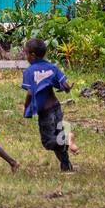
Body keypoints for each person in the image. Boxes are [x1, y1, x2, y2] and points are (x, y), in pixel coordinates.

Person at [21, 37, 74, 172]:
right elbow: (65, 85)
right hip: (57, 108)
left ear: (32, 55)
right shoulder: (52, 67)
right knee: (58, 134)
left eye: (26, 53)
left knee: (48, 142)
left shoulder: (29, 71)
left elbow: (30, 93)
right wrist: (68, 89)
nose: (25, 56)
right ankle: (66, 165)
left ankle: (68, 138)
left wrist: (26, 107)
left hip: (46, 113)